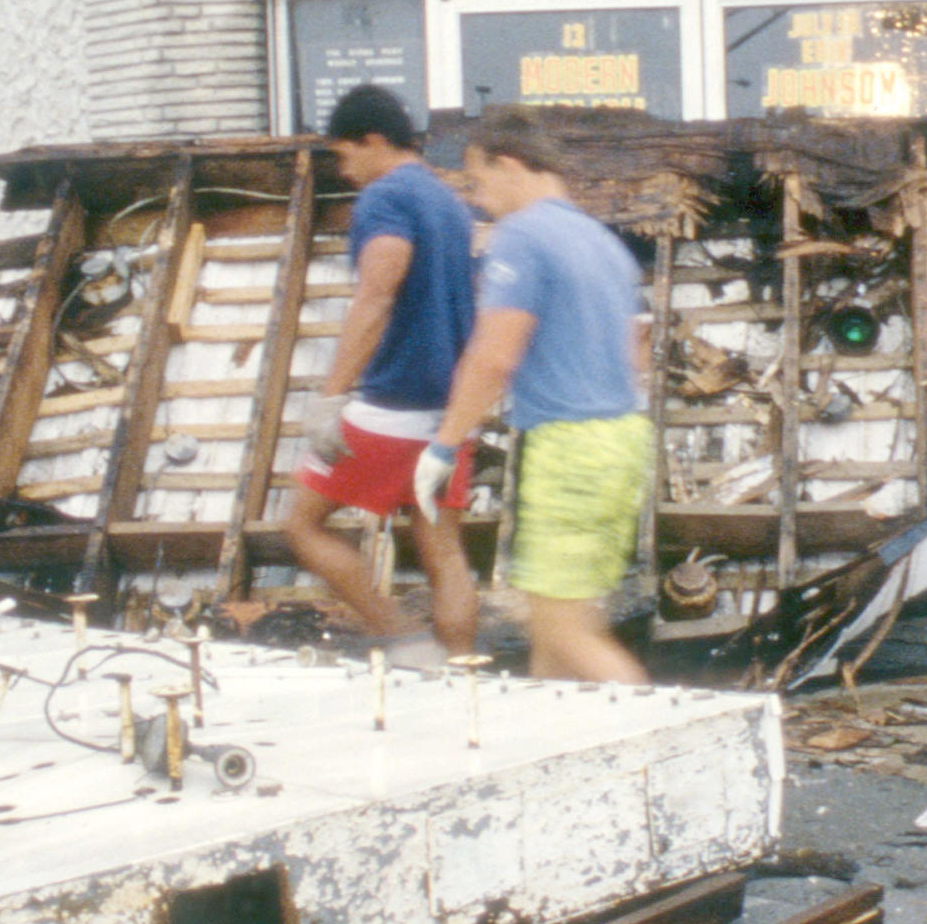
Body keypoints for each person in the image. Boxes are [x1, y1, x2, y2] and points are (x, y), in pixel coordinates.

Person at [418, 110, 656, 683]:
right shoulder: (599, 240)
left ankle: (672, 748)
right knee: (555, 638)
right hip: (622, 441)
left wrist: (444, 447)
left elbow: (494, 355)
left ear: (509, 163)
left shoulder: (521, 237)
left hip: (569, 448)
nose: (478, 201)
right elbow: (636, 352)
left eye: (477, 182)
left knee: (566, 636)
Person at [278, 85, 480, 660]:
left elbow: (376, 295)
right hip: (448, 411)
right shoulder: (449, 202)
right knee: (442, 551)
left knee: (302, 526)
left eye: (344, 155)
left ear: (371, 141)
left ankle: (398, 636)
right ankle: (464, 672)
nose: (345, 173)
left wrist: (330, 397)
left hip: (392, 406)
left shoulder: (385, 200)